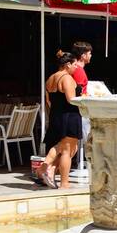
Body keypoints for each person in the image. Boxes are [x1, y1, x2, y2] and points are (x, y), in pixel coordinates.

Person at [38, 51, 83, 188]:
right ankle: (63, 182)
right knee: (66, 151)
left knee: (66, 148)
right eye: (75, 64)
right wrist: (85, 100)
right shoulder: (67, 78)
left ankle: (49, 170)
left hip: (56, 116)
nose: (76, 67)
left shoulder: (50, 79)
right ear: (67, 64)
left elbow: (49, 102)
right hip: (69, 116)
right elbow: (71, 100)